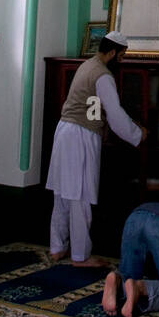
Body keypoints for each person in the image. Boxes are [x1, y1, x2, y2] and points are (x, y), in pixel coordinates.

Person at [46, 31, 146, 267]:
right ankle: (80, 256)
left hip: (64, 132)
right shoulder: (103, 76)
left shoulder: (86, 65)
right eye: (120, 56)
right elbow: (115, 115)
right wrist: (138, 134)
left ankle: (57, 248)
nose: (121, 61)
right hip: (80, 136)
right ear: (112, 53)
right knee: (79, 195)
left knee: (62, 195)